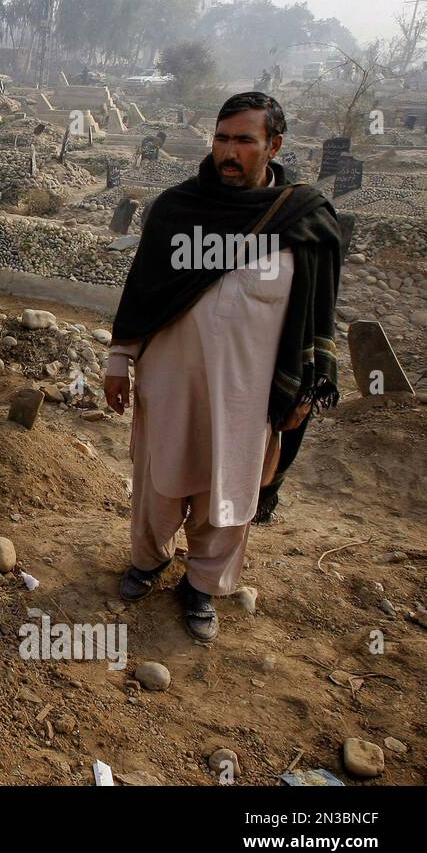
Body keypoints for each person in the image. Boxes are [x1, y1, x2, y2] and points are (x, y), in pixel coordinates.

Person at [103, 91, 342, 641]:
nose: (228, 152)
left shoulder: (302, 221)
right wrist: (120, 359)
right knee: (158, 481)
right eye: (222, 138)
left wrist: (305, 388)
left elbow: (317, 316)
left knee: (229, 489)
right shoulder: (175, 210)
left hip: (246, 393)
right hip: (169, 380)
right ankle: (147, 560)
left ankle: (204, 586)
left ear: (273, 145)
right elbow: (142, 291)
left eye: (244, 141)